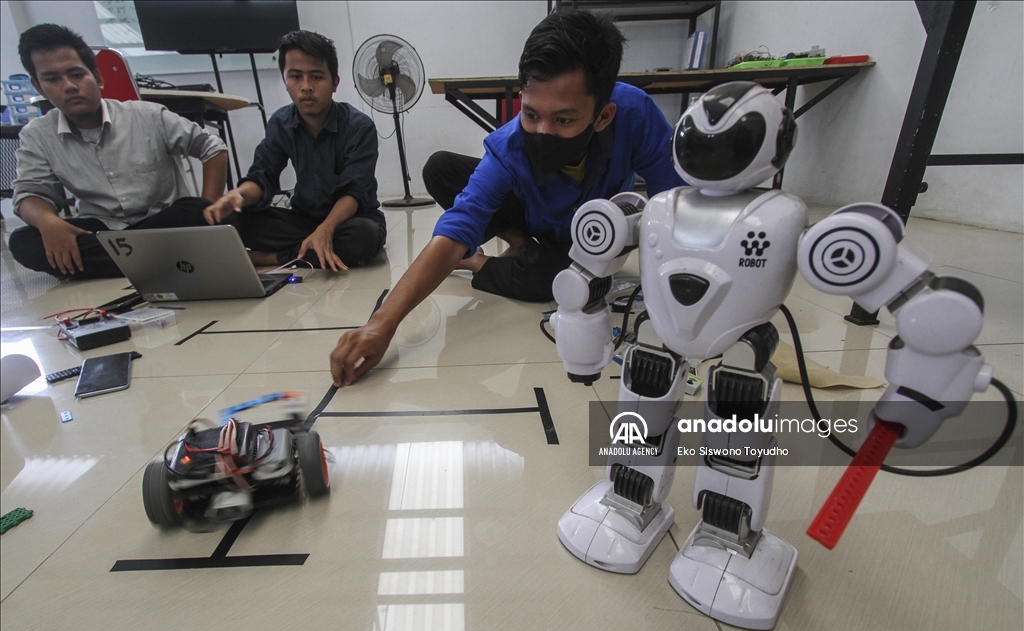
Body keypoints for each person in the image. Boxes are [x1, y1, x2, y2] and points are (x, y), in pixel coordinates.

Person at [329, 10, 684, 386]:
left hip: (592, 236)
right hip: (534, 216)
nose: (542, 132)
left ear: (603, 116)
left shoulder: (635, 115)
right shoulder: (510, 146)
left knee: (563, 282)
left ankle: (478, 264)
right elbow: (458, 226)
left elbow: (675, 209)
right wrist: (382, 323)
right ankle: (519, 244)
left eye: (564, 120)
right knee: (441, 168)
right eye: (531, 114)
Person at [9, 24, 228, 281]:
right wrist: (48, 222)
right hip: (101, 229)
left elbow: (213, 148)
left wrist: (209, 216)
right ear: (38, 86)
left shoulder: (147, 116)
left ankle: (110, 264)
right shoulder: (37, 135)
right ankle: (163, 259)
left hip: (163, 223)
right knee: (23, 241)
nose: (68, 86)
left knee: (196, 209)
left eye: (76, 74)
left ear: (97, 78)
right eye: (52, 79)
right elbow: (29, 193)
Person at [204, 30, 386, 272]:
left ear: (335, 83)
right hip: (302, 220)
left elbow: (354, 191)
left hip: (349, 220)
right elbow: (263, 176)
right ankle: (311, 250)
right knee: (229, 218)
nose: (306, 87)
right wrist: (238, 195)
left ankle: (273, 257)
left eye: (317, 77)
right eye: (296, 76)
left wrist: (326, 229)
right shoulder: (281, 122)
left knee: (363, 236)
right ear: (285, 80)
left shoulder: (359, 126)